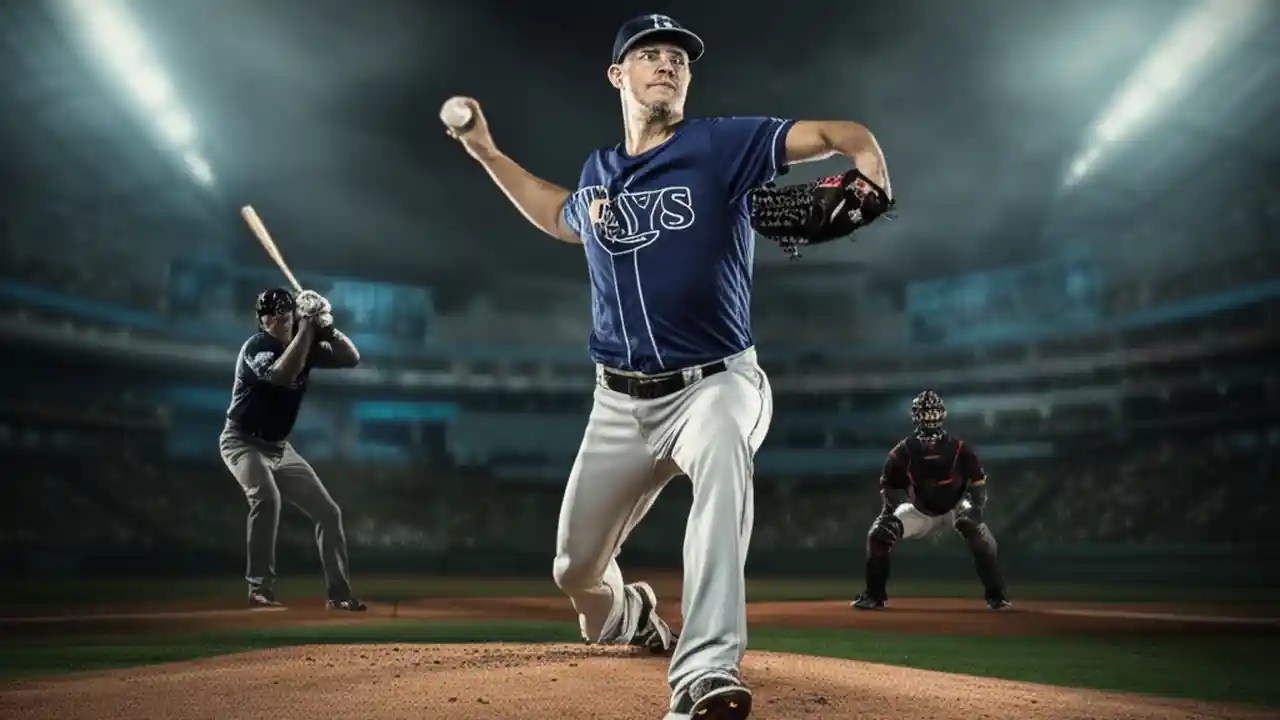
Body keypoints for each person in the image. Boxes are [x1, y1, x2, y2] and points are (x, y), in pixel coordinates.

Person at [443, 13, 892, 719]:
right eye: (649, 55)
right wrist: (485, 153)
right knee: (574, 570)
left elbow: (844, 135)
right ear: (618, 76)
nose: (667, 65)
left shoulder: (722, 145)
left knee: (719, 451)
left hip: (717, 383)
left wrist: (869, 164)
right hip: (617, 404)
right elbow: (558, 214)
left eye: (678, 58)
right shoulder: (599, 173)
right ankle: (629, 618)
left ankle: (706, 673)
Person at [218, 287, 367, 611]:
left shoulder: (307, 344)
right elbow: (282, 376)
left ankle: (339, 595)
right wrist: (308, 329)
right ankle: (259, 589)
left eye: (283, 308)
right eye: (269, 312)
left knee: (328, 513)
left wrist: (327, 327)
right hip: (242, 441)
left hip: (279, 448)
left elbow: (351, 357)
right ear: (262, 320)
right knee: (266, 498)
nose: (278, 314)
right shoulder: (257, 347)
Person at [851, 390, 1012, 611]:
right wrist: (889, 509)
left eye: (931, 413)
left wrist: (976, 508)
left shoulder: (958, 449)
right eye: (926, 413)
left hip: (954, 506)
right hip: (919, 511)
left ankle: (997, 595)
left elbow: (977, 482)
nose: (929, 417)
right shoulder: (906, 450)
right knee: (879, 534)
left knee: (977, 531)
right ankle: (874, 594)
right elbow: (889, 484)